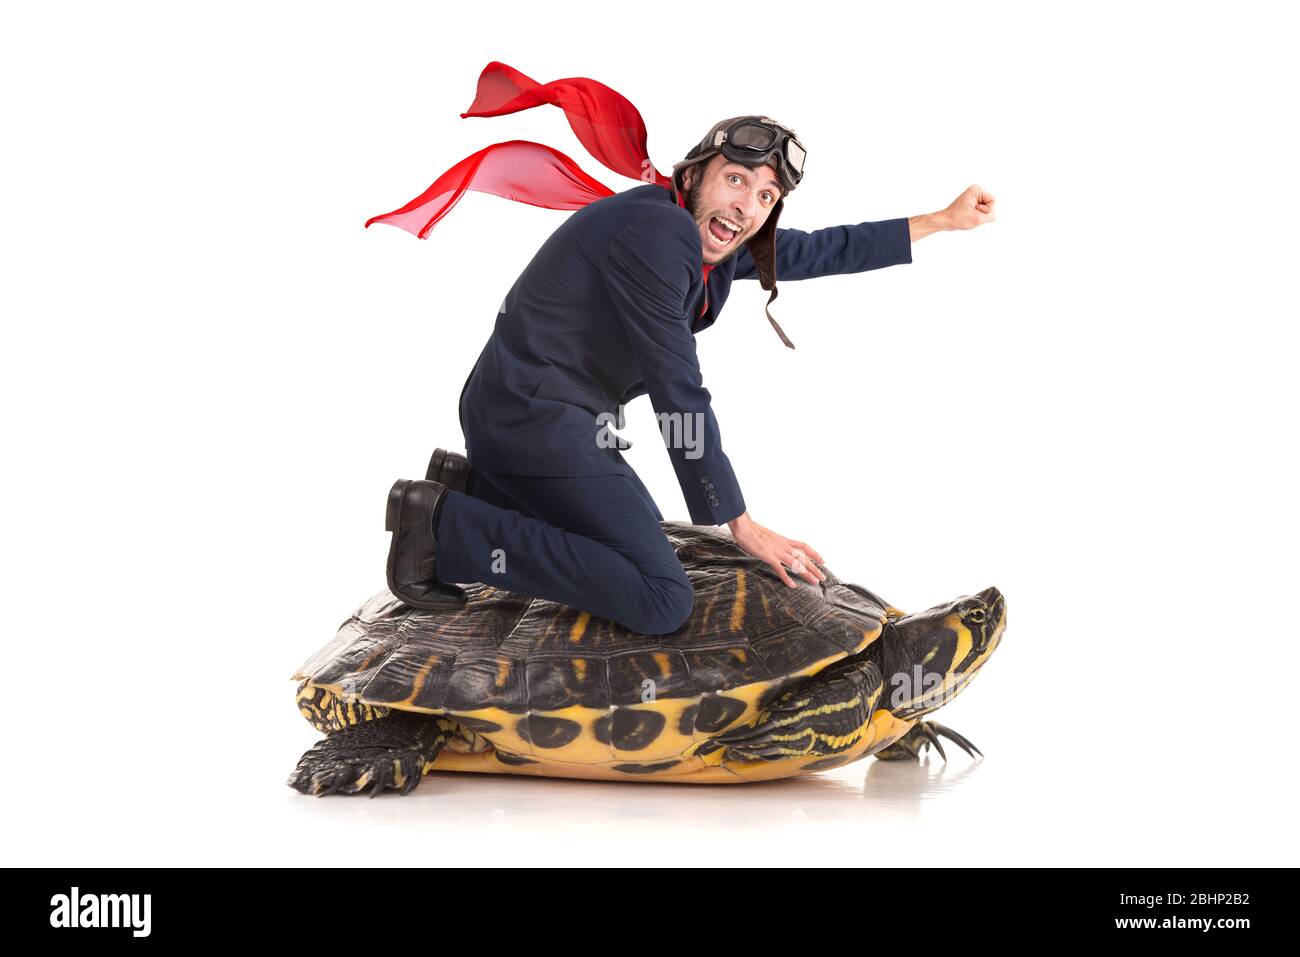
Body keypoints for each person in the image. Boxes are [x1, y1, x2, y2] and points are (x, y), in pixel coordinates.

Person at [383, 115, 995, 634]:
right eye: (737, 179)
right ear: (695, 174)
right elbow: (679, 392)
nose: (748, 206)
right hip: (533, 414)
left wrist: (940, 220)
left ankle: (475, 490)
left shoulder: (712, 248)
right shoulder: (657, 233)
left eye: (766, 197)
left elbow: (825, 249)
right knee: (661, 596)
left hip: (535, 415)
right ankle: (441, 526)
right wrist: (738, 520)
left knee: (635, 541)